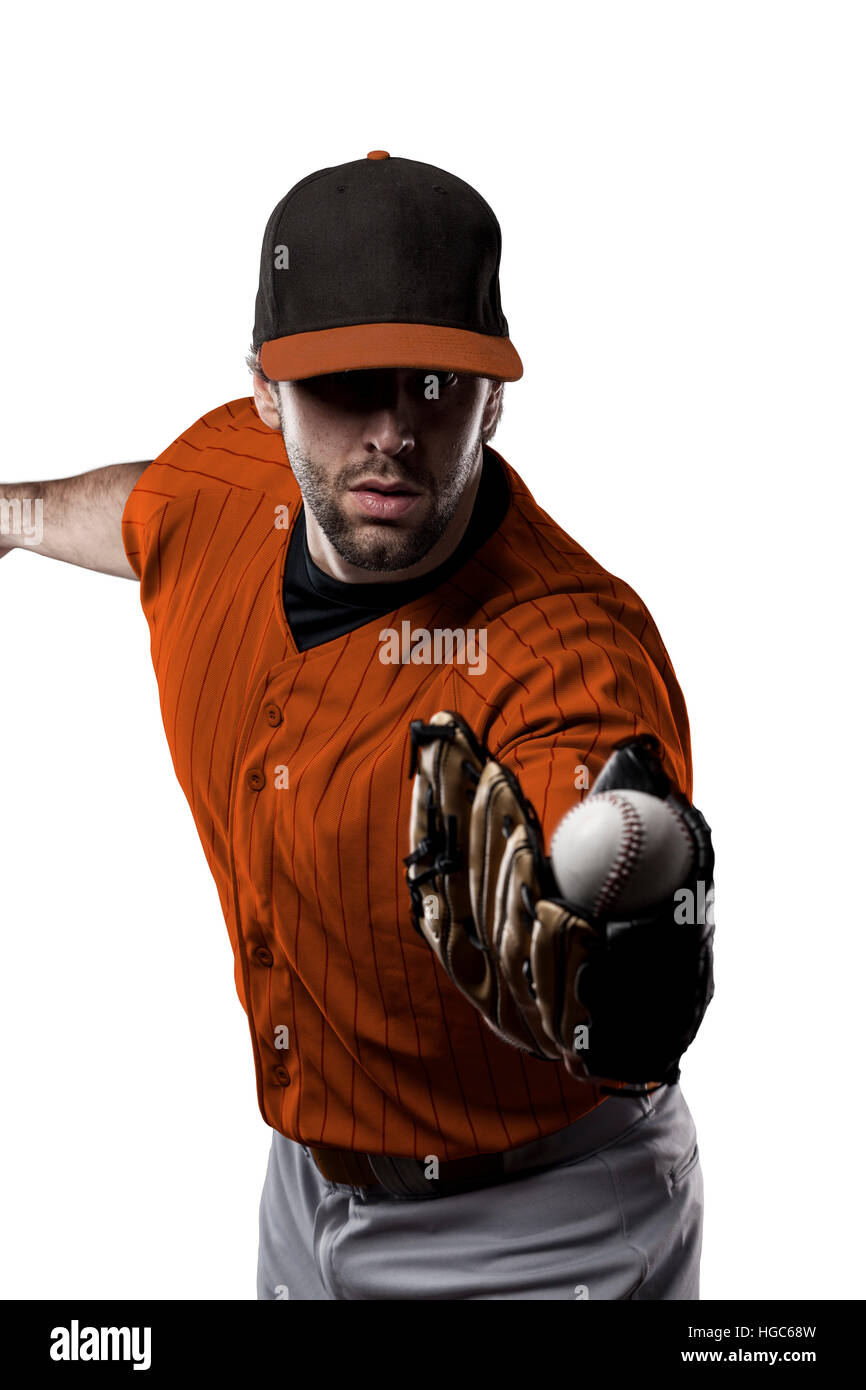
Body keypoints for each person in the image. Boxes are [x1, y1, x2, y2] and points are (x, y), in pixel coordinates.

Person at [0, 150, 707, 1300]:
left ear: (495, 395)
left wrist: (610, 905)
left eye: (434, 382)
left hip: (533, 1232)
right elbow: (138, 512)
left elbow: (600, 804)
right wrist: (15, 514)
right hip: (302, 1194)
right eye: (342, 384)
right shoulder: (223, 489)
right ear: (263, 393)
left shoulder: (563, 651)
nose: (390, 429)